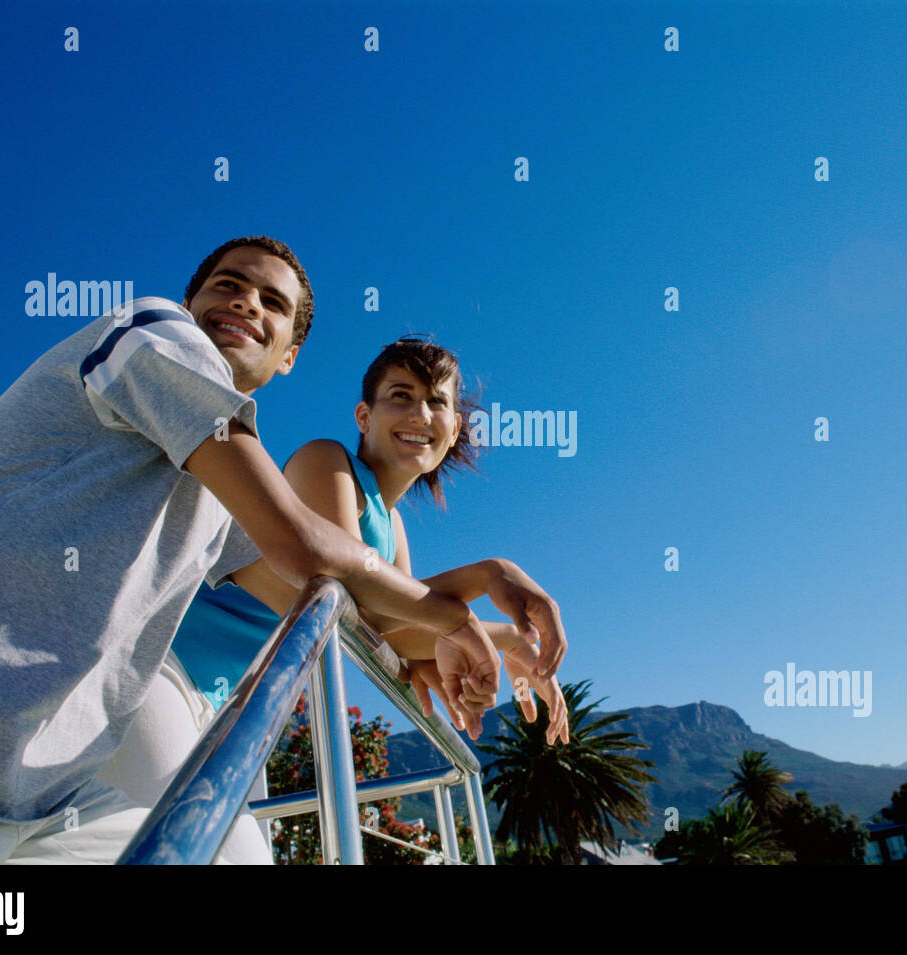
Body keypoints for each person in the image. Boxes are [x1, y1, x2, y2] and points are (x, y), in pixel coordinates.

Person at [0, 236, 565, 864]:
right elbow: (306, 552)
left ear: (290, 355)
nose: (245, 303)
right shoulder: (153, 333)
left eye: (272, 301)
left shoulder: (215, 493)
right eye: (228, 285)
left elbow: (345, 603)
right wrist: (476, 592)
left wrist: (480, 640)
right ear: (188, 303)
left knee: (232, 854)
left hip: (40, 791)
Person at [103, 337, 569, 863]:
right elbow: (355, 600)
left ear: (454, 427)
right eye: (401, 395)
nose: (421, 412)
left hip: (222, 708)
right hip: (161, 674)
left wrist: (462, 647)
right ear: (364, 416)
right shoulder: (328, 461)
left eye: (438, 401)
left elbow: (384, 630)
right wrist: (494, 588)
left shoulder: (391, 526)